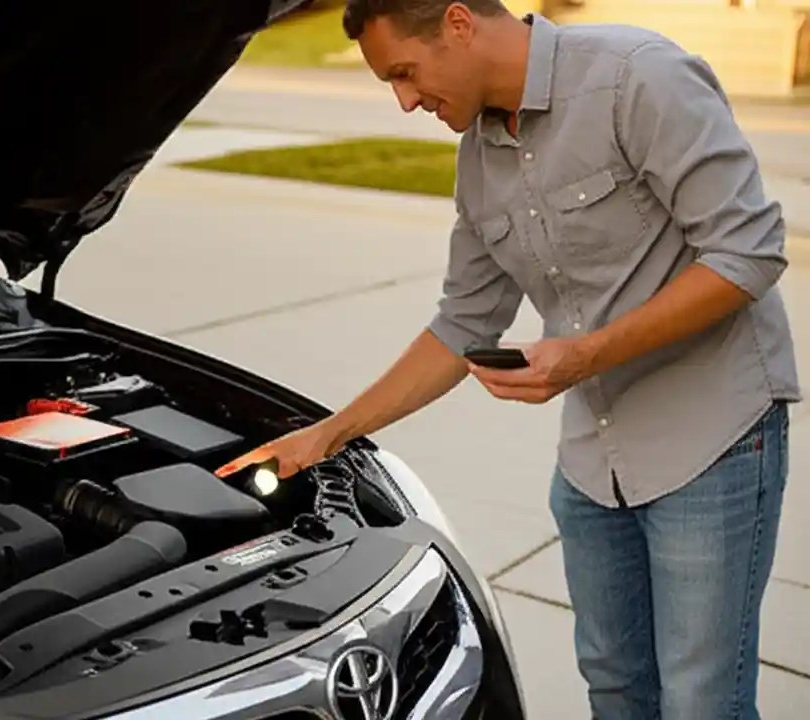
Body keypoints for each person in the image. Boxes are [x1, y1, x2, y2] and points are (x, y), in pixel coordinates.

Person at [215, 2, 800, 718]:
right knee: (616, 689)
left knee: (701, 703)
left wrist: (584, 355)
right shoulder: (481, 158)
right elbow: (462, 324)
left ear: (458, 23)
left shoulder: (635, 77)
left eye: (404, 72)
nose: (404, 101)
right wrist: (324, 435)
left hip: (712, 439)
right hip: (595, 464)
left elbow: (747, 253)